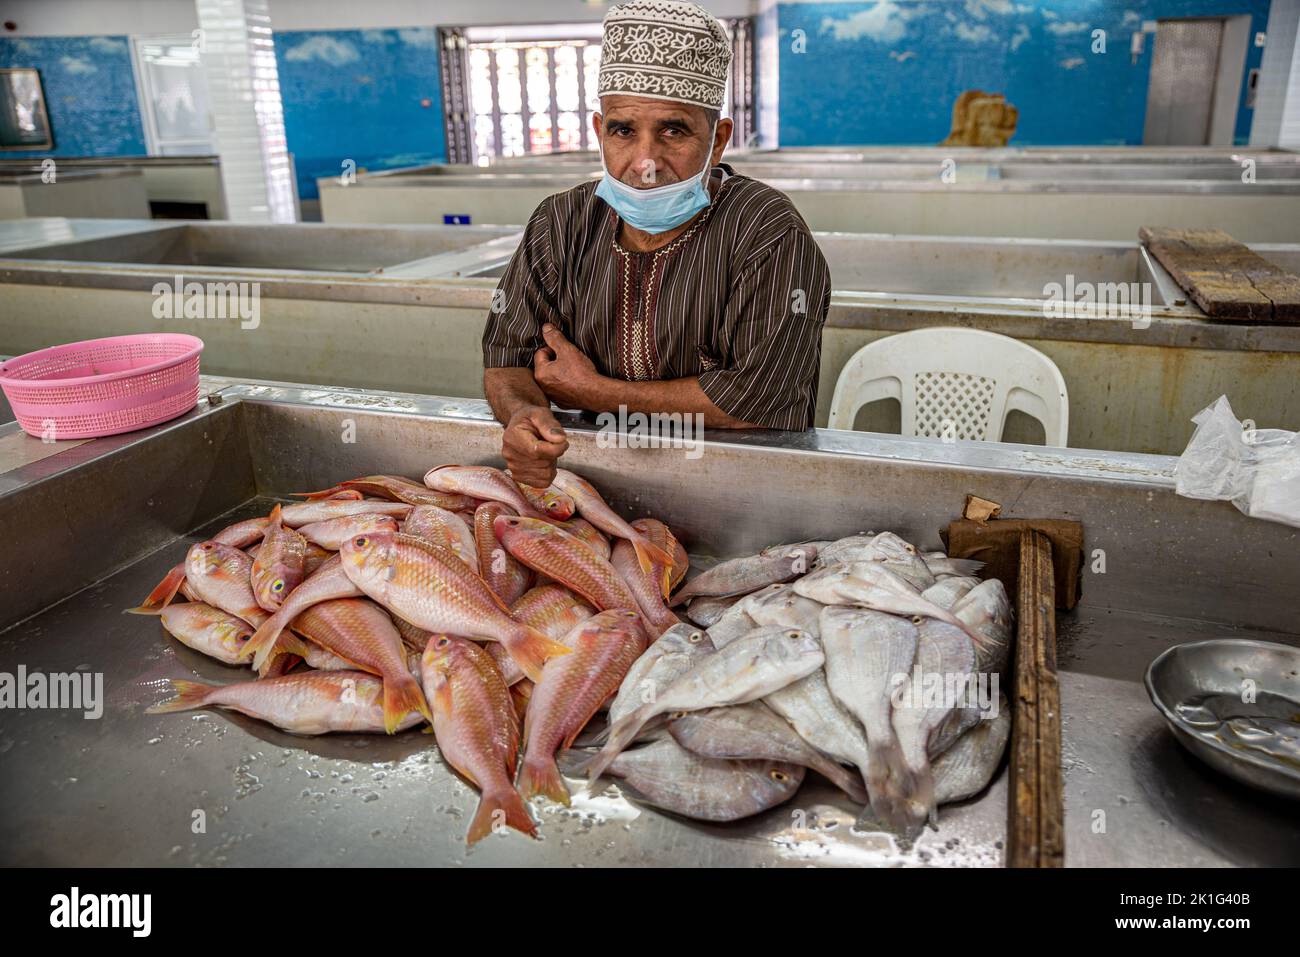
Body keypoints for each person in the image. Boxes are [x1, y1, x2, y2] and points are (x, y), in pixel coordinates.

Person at [482, 0, 831, 487]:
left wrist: (596, 393)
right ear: (600, 132)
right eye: (624, 130)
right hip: (587, 482)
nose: (646, 161)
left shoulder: (766, 231)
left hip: (742, 489)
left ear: (719, 138)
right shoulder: (560, 221)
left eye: (673, 130)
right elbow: (507, 360)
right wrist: (523, 416)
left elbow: (758, 398)